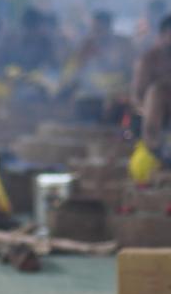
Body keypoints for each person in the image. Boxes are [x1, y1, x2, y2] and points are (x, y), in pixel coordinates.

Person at [60, 10, 134, 111]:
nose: (97, 33)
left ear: (109, 27)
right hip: (91, 93)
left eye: (100, 29)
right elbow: (69, 74)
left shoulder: (123, 44)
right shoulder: (86, 45)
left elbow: (131, 70)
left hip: (118, 91)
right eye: (95, 29)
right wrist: (83, 57)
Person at [130, 15, 171, 184]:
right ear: (162, 36)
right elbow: (137, 98)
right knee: (142, 168)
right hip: (154, 125)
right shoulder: (149, 60)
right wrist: (151, 112)